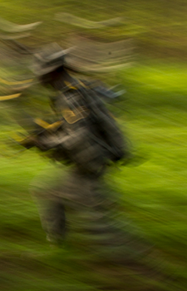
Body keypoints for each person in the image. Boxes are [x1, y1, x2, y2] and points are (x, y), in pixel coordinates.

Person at [22, 43, 142, 256]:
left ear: (55, 72)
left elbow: (77, 137)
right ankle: (58, 247)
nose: (41, 80)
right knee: (47, 191)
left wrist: (43, 143)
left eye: (44, 74)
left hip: (89, 165)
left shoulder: (71, 95)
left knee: (103, 229)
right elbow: (80, 124)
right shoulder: (75, 88)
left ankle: (140, 265)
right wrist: (45, 131)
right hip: (87, 162)